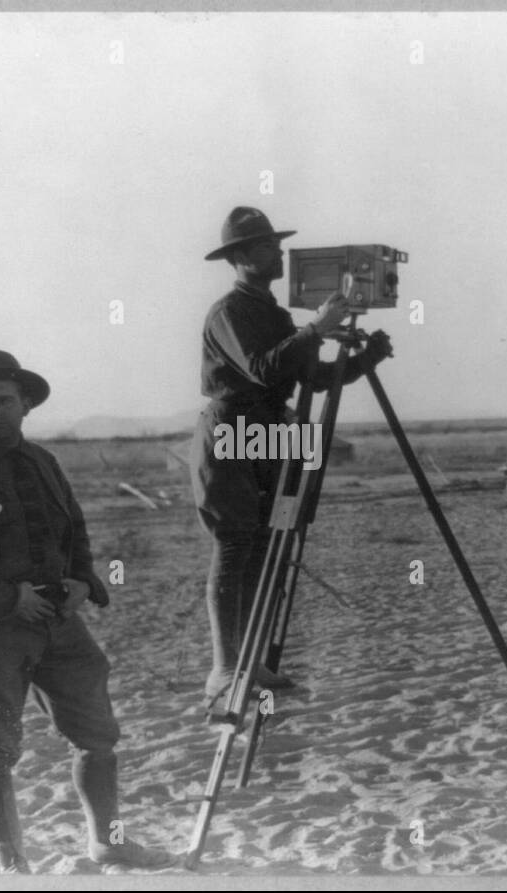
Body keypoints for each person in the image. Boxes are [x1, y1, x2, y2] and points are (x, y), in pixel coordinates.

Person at [0, 349, 172, 872]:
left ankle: (107, 841)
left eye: (4, 401)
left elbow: (74, 529)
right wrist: (7, 599)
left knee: (97, 735)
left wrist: (82, 581)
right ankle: (12, 864)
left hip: (58, 624)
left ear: (25, 405)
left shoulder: (45, 464)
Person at [190, 207, 393, 707]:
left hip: (271, 428)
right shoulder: (229, 311)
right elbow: (260, 369)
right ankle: (222, 668)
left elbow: (314, 379)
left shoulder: (275, 314)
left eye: (277, 247)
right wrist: (316, 330)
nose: (277, 254)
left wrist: (366, 358)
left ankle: (251, 658)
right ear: (239, 258)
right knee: (236, 543)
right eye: (265, 248)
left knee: (268, 540)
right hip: (234, 428)